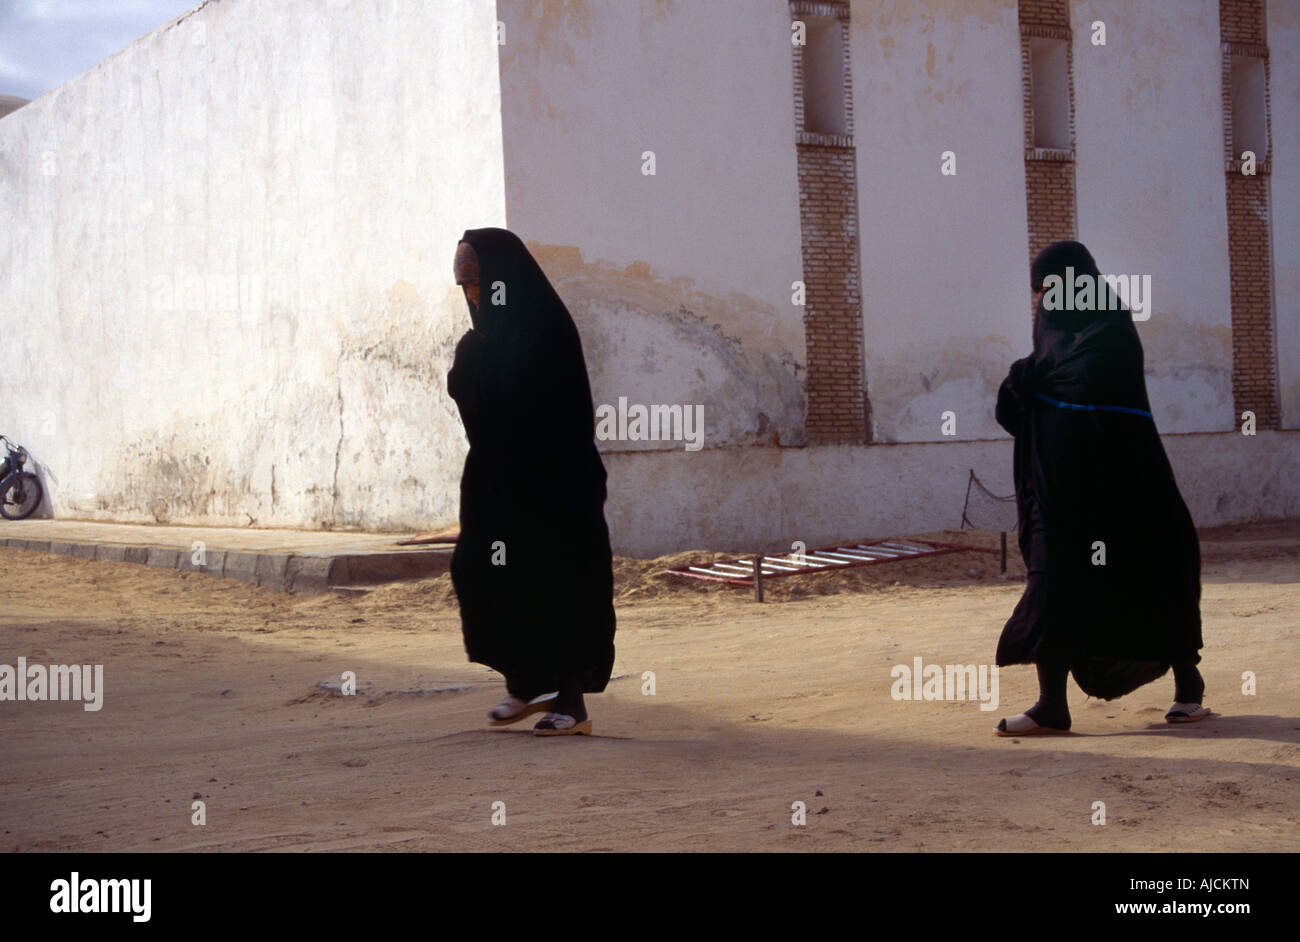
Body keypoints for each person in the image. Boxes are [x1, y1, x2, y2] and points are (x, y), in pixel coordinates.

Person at [993, 240, 1207, 735]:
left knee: (1152, 578)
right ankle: (1052, 705)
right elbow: (1026, 404)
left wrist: (1037, 383)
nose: (1045, 301)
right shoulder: (1048, 354)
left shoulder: (1111, 332)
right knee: (1052, 580)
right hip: (1062, 493)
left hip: (1129, 490)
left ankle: (1189, 687)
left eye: (1053, 288)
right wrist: (1022, 385)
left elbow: (1091, 382)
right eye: (1039, 292)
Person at [447, 228, 616, 736]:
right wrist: (469, 369)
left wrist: (480, 370)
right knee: (482, 569)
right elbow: (482, 411)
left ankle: (571, 701)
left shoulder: (545, 327)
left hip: (556, 484)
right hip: (501, 484)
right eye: (464, 287)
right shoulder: (486, 339)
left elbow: (538, 407)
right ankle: (525, 682)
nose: (473, 295)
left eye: (477, 282)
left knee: (559, 584)